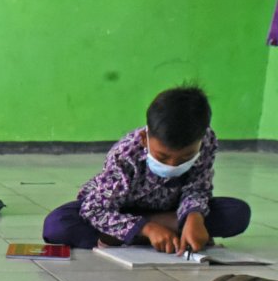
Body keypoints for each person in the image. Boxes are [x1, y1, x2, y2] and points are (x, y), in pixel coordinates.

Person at [42, 86, 250, 252]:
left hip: (173, 210)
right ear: (145, 138)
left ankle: (152, 234)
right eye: (163, 156)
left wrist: (194, 217)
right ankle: (156, 232)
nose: (172, 165)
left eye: (185, 157)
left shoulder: (206, 141)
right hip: (120, 210)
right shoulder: (125, 153)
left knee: (237, 213)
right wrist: (146, 227)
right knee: (59, 224)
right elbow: (95, 209)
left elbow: (197, 188)